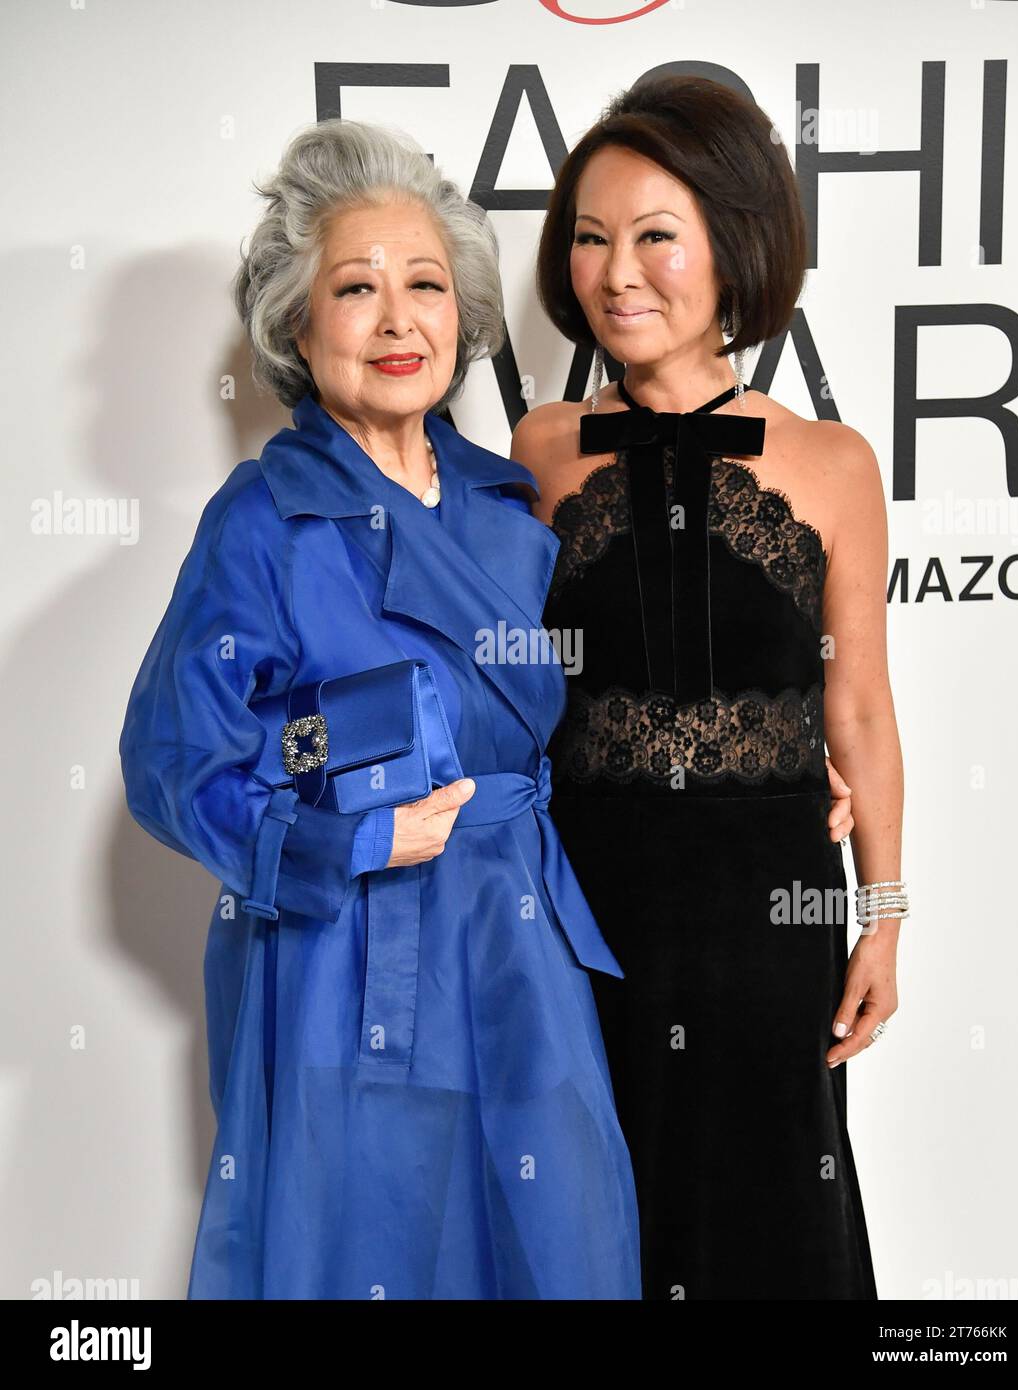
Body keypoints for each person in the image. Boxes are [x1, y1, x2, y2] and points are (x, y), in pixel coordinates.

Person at [118, 117, 641, 1299]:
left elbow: (556, 717)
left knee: (559, 1241)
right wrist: (345, 830)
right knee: (370, 1246)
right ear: (300, 326)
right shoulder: (262, 518)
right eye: (357, 289)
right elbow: (173, 756)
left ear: (464, 313)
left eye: (426, 284)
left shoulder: (512, 508)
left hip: (516, 939)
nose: (400, 319)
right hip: (350, 953)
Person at [512, 75, 903, 1299]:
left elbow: (858, 710)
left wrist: (882, 908)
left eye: (652, 237)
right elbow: (507, 684)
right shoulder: (535, 449)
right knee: (594, 1207)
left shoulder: (833, 463)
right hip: (585, 901)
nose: (614, 272)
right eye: (587, 238)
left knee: (776, 1204)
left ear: (733, 245)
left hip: (770, 910)